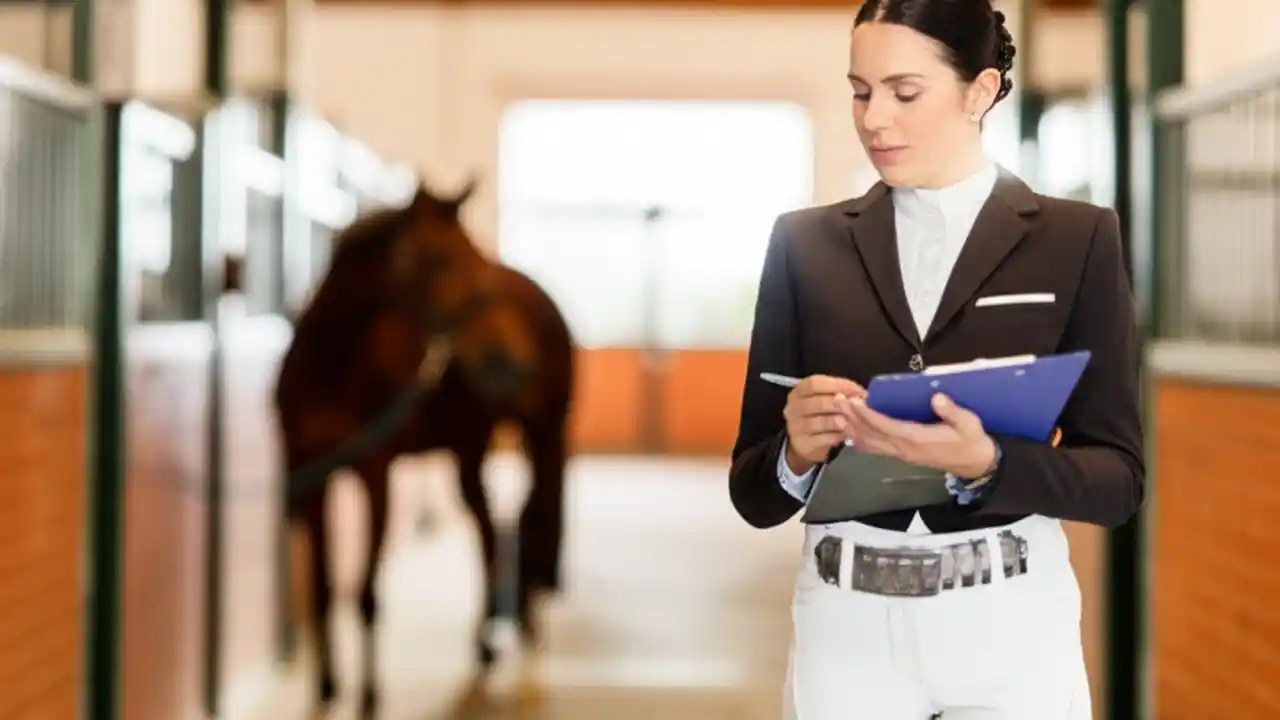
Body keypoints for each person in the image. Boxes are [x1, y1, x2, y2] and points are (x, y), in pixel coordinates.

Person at [728, 0, 1144, 717]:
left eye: (904, 92)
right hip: (846, 629)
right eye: (860, 92)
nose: (873, 118)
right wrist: (794, 455)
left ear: (980, 92)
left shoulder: (1078, 240)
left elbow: (1117, 479)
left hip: (1013, 626)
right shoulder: (802, 244)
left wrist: (990, 464)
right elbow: (751, 492)